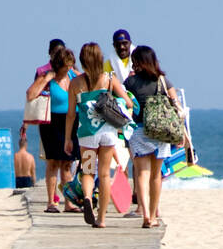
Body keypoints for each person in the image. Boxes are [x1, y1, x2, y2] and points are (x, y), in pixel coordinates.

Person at [64, 42, 133, 228]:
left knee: (87, 171)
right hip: (108, 133)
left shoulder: (75, 83)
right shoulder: (109, 79)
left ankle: (87, 197)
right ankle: (101, 219)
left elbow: (70, 114)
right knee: (104, 175)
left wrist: (67, 139)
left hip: (87, 135)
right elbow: (128, 103)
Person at [124, 46, 181, 228]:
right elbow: (177, 106)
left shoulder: (130, 82)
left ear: (139, 62)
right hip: (160, 131)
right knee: (156, 175)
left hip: (139, 131)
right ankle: (154, 215)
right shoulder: (162, 81)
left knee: (141, 173)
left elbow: (123, 105)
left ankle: (146, 215)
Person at [26, 45, 80, 212]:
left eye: (71, 65)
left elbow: (89, 83)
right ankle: (51, 202)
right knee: (53, 162)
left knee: (67, 163)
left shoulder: (73, 75)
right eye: (66, 66)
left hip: (72, 121)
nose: (68, 69)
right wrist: (45, 79)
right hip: (52, 123)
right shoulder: (48, 77)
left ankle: (69, 203)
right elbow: (30, 94)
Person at [13, 125, 37, 189]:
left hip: (17, 179)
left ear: (19, 144)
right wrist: (34, 183)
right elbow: (33, 172)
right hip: (27, 180)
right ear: (26, 145)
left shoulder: (14, 156)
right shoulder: (30, 157)